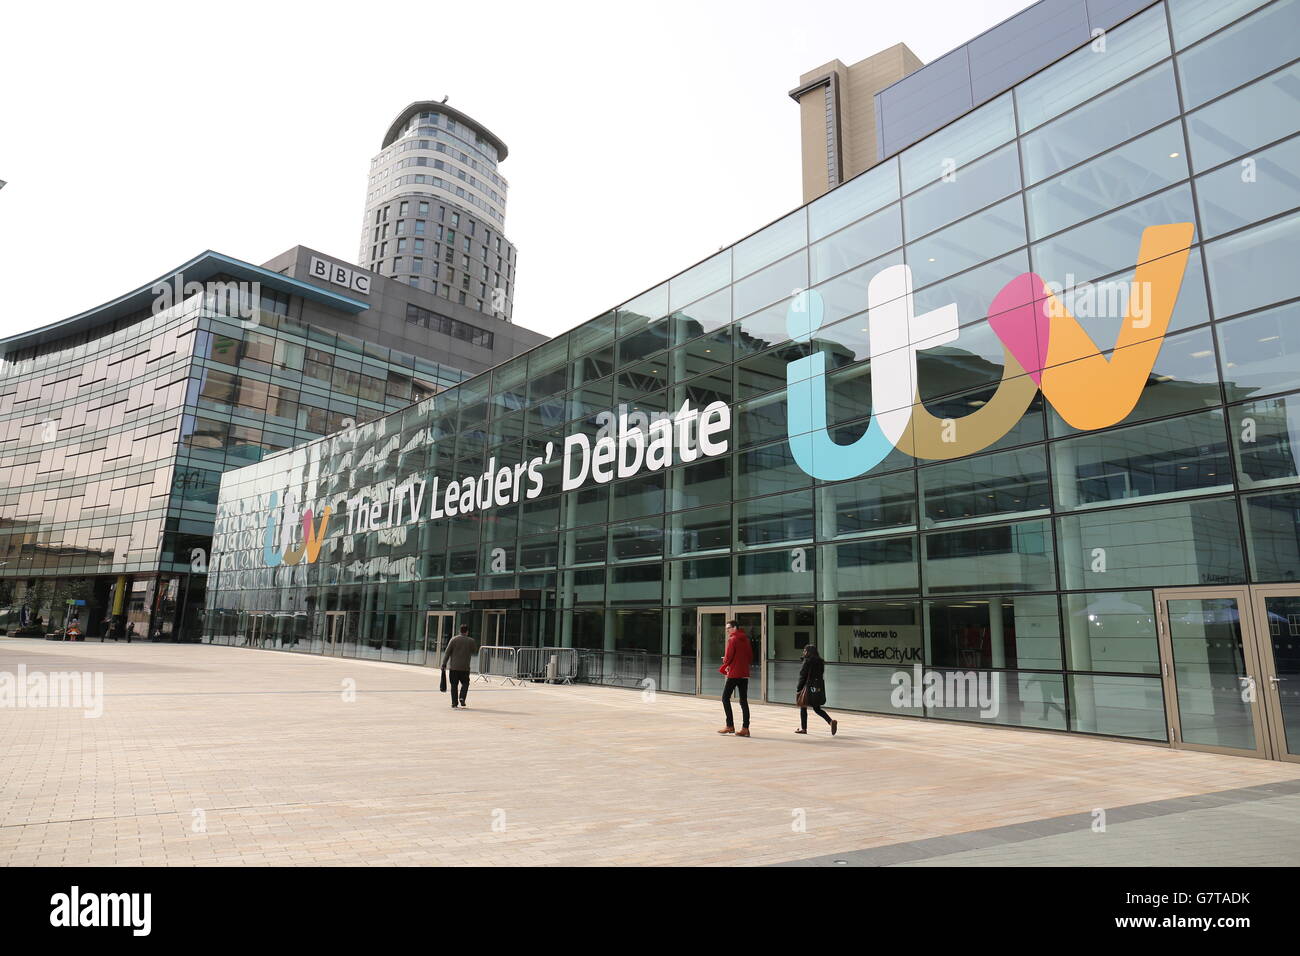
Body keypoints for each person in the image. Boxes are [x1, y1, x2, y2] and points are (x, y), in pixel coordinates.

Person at [717, 619, 753, 737]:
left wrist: (725, 660)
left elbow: (728, 658)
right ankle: (745, 728)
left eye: (729, 628)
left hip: (734, 673)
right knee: (743, 701)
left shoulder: (732, 640)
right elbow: (749, 656)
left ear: (735, 628)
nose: (727, 630)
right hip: (744, 673)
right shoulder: (746, 640)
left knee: (725, 698)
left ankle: (730, 726)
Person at [795, 645, 837, 736]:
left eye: (805, 651)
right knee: (817, 708)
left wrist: (799, 688)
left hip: (807, 687)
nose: (803, 652)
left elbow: (803, 676)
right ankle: (830, 721)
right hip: (817, 687)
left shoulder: (807, 662)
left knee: (803, 706)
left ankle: (804, 729)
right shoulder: (820, 662)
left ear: (809, 652)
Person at [442, 624, 476, 709]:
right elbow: (474, 651)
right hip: (465, 667)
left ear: (459, 631)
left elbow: (447, 652)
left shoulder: (453, 639)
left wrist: (444, 664)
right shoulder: (471, 641)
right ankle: (462, 697)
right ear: (467, 632)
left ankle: (454, 703)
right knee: (465, 683)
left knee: (454, 685)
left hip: (454, 667)